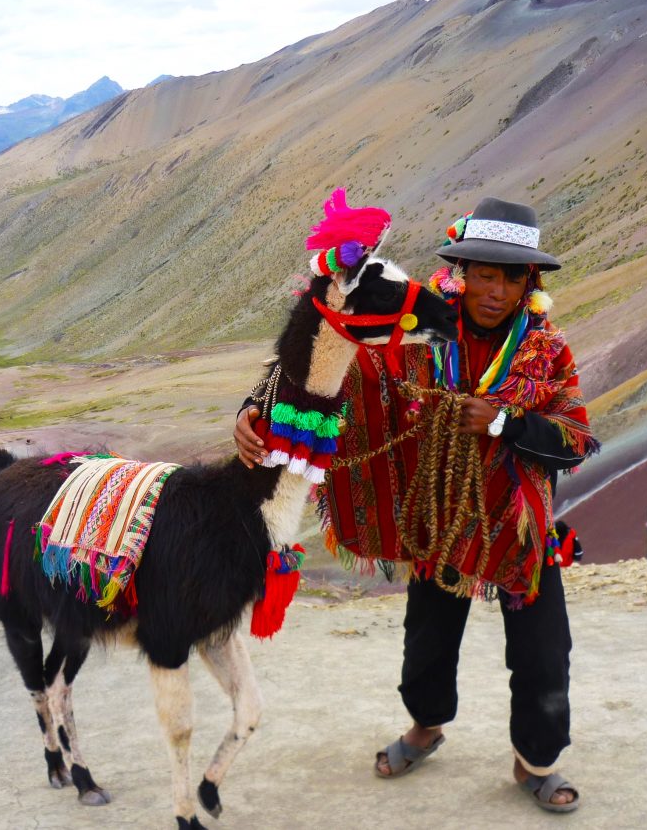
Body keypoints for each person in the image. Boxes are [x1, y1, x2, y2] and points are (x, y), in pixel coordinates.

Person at [235, 196, 596, 812]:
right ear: (463, 270)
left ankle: (535, 761)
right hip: (435, 520)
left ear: (528, 282)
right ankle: (426, 727)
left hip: (514, 524)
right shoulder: (414, 325)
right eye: (486, 272)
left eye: (512, 277)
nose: (497, 290)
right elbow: (329, 347)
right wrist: (257, 409)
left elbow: (577, 439)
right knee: (427, 639)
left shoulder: (545, 349)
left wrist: (507, 422)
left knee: (542, 650)